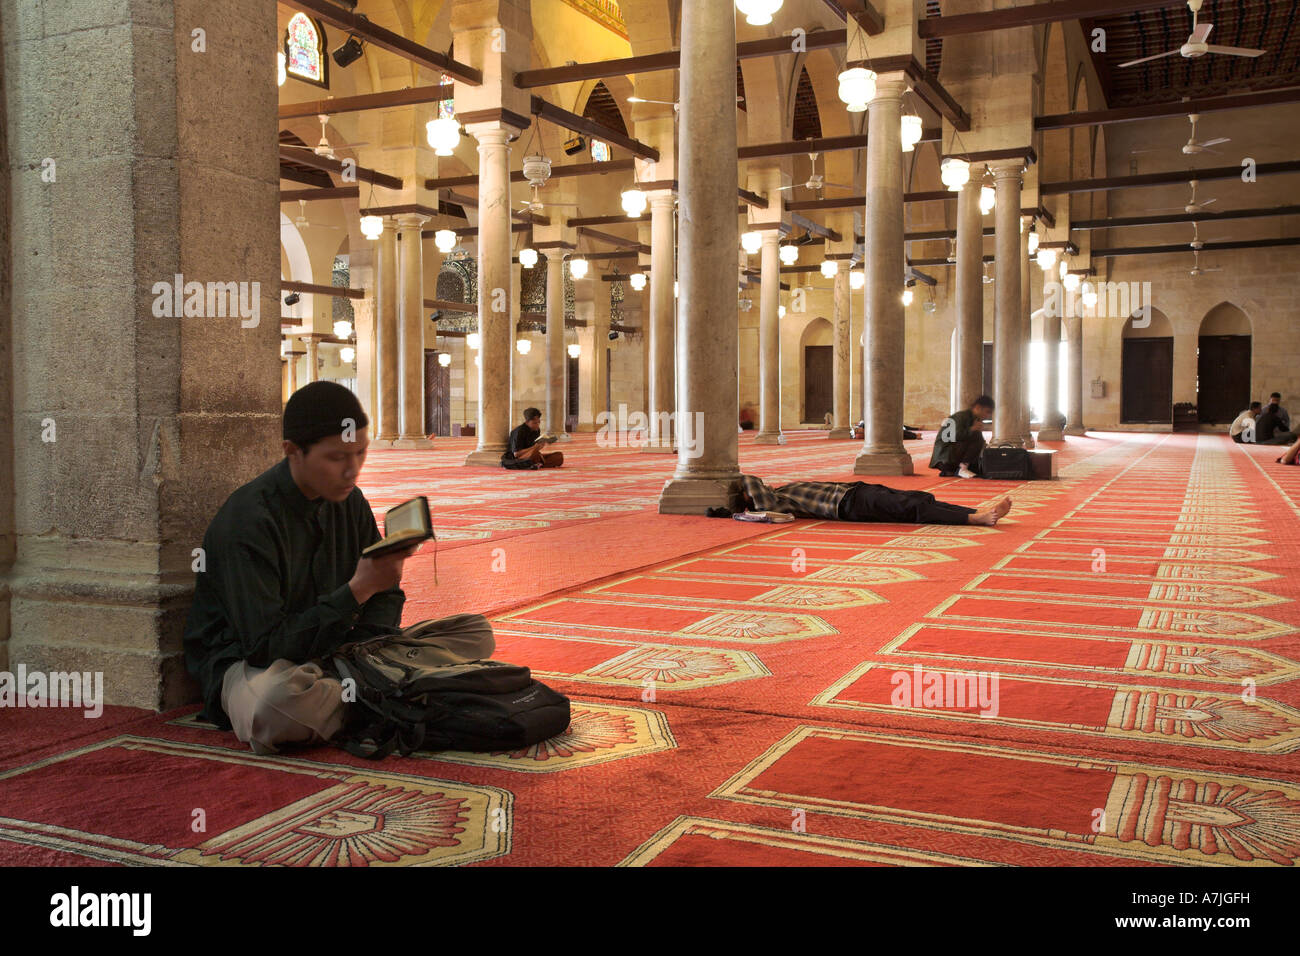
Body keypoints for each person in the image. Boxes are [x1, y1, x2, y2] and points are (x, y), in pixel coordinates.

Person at [183, 381, 495, 755]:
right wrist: (357, 592)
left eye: (361, 453)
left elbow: (387, 596)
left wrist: (367, 648)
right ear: (293, 452)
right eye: (337, 458)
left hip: (340, 653)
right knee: (277, 709)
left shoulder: (350, 501)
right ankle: (398, 692)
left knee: (475, 632)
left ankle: (372, 690)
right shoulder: (249, 521)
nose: (353, 471)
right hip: (256, 665)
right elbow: (267, 646)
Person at [739, 474, 1011, 527]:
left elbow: (757, 481)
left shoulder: (782, 490)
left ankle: (977, 511)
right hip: (849, 505)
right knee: (911, 508)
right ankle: (976, 520)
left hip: (854, 491)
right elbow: (750, 478)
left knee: (920, 497)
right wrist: (740, 493)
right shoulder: (774, 504)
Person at [930, 395, 993, 478]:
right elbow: (953, 436)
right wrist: (972, 429)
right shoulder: (961, 417)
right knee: (977, 436)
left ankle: (956, 469)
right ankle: (962, 468)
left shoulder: (973, 418)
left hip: (950, 457)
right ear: (978, 407)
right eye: (987, 412)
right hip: (944, 458)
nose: (988, 416)